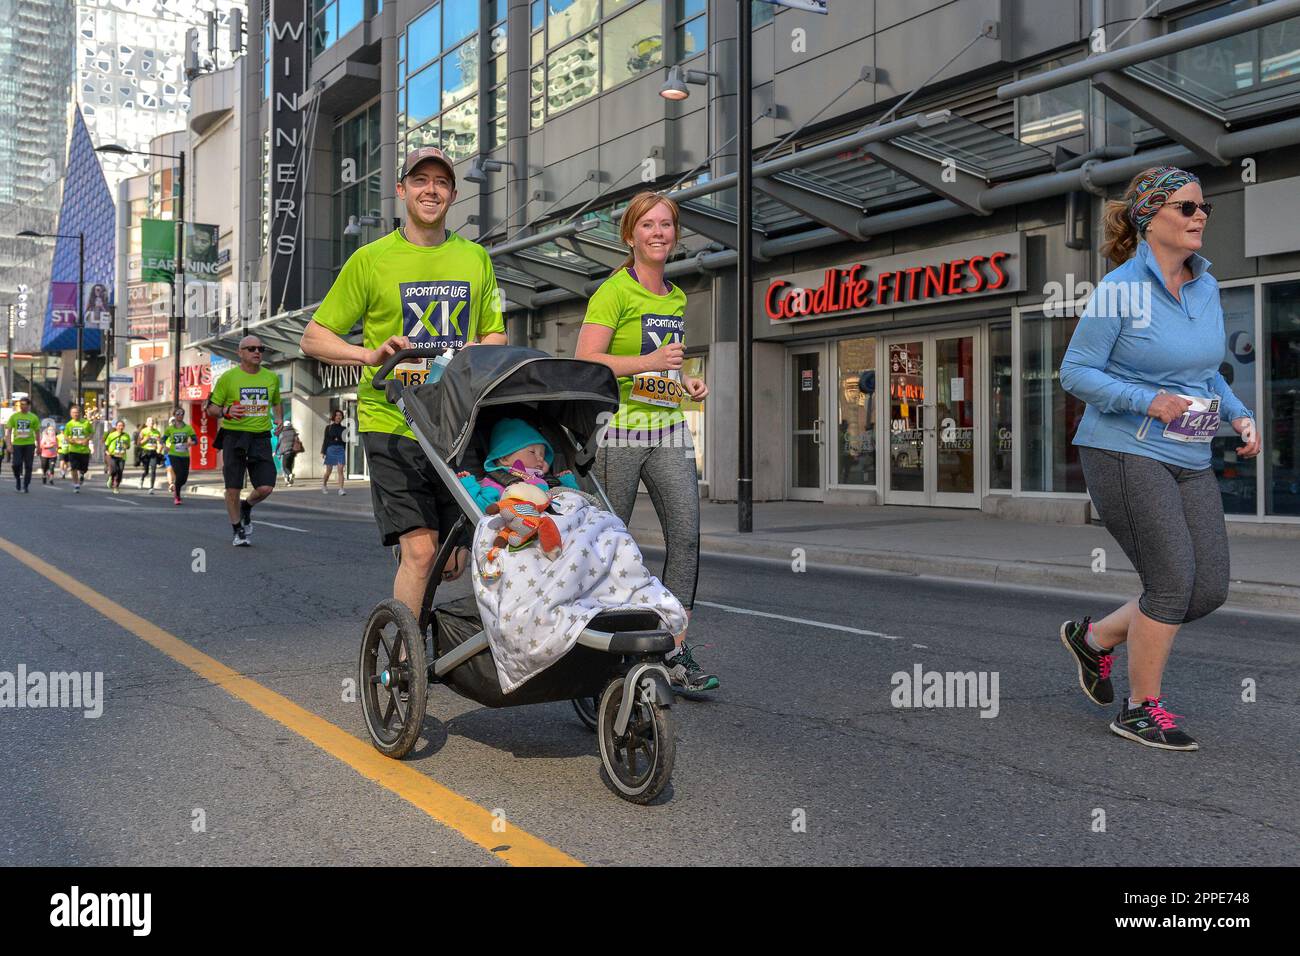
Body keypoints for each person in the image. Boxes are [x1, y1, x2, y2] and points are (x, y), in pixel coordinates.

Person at [1058, 166, 1259, 753]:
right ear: (1149, 217)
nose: (1200, 218)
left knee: (1208, 590)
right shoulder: (1120, 289)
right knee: (1171, 583)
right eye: (1186, 208)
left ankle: (1094, 639)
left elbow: (1204, 375)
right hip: (1123, 450)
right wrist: (1148, 400)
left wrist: (1238, 413)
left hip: (1189, 451)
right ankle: (1142, 709)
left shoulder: (1205, 287)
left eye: (1204, 208)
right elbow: (1076, 373)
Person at [301, 145, 506, 615]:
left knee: (454, 558)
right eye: (420, 180)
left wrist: (479, 350)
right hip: (392, 421)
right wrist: (368, 354)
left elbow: (495, 332)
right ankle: (404, 666)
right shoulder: (371, 260)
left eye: (440, 182)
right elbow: (313, 338)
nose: (430, 189)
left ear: (453, 194)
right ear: (401, 190)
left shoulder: (475, 259)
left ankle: (422, 566)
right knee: (422, 553)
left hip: (457, 424)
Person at [575, 190, 717, 692]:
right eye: (648, 225)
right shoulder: (614, 292)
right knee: (611, 543)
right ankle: (600, 650)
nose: (659, 233)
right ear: (630, 235)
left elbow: (663, 370)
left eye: (667, 225)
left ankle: (675, 651)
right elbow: (589, 361)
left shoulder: (675, 297)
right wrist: (649, 365)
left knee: (687, 537)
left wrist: (686, 384)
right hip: (619, 431)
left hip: (669, 428)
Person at [207, 335, 285, 547]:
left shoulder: (270, 377)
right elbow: (211, 409)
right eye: (251, 348)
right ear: (240, 353)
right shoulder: (228, 378)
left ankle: (247, 506)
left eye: (261, 348)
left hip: (260, 437)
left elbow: (277, 402)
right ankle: (237, 530)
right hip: (234, 437)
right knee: (232, 488)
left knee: (266, 487)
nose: (257, 352)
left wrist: (278, 418)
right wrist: (226, 410)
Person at [456, 417, 581, 509]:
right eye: (532, 452)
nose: (540, 459)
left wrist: (567, 482)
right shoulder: (496, 482)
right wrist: (469, 485)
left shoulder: (547, 480)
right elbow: (483, 507)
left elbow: (574, 500)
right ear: (504, 458)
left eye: (543, 454)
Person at [5, 396, 40, 493]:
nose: (22, 406)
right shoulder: (14, 417)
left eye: (25, 404)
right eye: (21, 404)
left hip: (29, 444)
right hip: (17, 444)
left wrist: (39, 446)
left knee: (28, 466)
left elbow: (37, 433)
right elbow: (8, 431)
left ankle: (26, 485)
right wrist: (8, 444)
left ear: (29, 406)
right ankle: (18, 479)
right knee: (16, 464)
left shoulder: (33, 417)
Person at [164, 406, 197, 505]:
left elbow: (196, 440)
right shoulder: (170, 429)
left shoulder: (188, 428)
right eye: (177, 414)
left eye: (182, 414)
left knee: (184, 478)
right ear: (174, 415)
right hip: (173, 454)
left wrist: (190, 443)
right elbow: (163, 439)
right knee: (179, 474)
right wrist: (165, 446)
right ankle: (177, 495)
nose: (180, 415)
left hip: (185, 455)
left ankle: (176, 487)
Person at [62, 404, 93, 493]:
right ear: (70, 414)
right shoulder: (69, 424)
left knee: (84, 468)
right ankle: (76, 484)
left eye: (77, 412)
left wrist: (87, 439)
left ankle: (82, 474)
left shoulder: (86, 423)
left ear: (80, 413)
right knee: (73, 468)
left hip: (84, 450)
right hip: (73, 450)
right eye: (73, 413)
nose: (75, 414)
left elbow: (92, 433)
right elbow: (65, 436)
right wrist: (71, 440)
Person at [320, 409, 348, 495]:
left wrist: (344, 451)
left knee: (340, 470)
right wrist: (323, 452)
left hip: (340, 450)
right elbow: (326, 440)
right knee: (329, 471)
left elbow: (344, 442)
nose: (338, 417)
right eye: (337, 415)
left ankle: (341, 489)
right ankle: (324, 485)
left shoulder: (344, 429)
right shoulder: (328, 428)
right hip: (330, 449)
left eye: (340, 415)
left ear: (342, 417)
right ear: (334, 417)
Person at [103, 420, 132, 494]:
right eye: (119, 425)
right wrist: (107, 452)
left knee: (120, 472)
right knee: (114, 470)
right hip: (113, 456)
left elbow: (128, 446)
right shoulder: (111, 435)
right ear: (116, 427)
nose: (120, 427)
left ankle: (116, 487)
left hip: (122, 456)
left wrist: (126, 445)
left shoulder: (126, 436)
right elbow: (106, 445)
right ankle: (111, 477)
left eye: (122, 426)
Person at [137, 416, 162, 493]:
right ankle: (142, 479)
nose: (151, 422)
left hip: (153, 452)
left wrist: (159, 449)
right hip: (145, 452)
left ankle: (151, 488)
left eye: (152, 421)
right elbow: (138, 443)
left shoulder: (157, 432)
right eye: (149, 421)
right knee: (146, 471)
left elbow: (160, 443)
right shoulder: (143, 431)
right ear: (147, 423)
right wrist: (145, 439)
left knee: (153, 470)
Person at [277, 417, 301, 487]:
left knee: (284, 467)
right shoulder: (294, 432)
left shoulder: (282, 433)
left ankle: (290, 475)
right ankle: (289, 482)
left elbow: (279, 443)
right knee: (289, 466)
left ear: (284, 426)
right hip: (293, 453)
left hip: (286, 452)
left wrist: (277, 452)